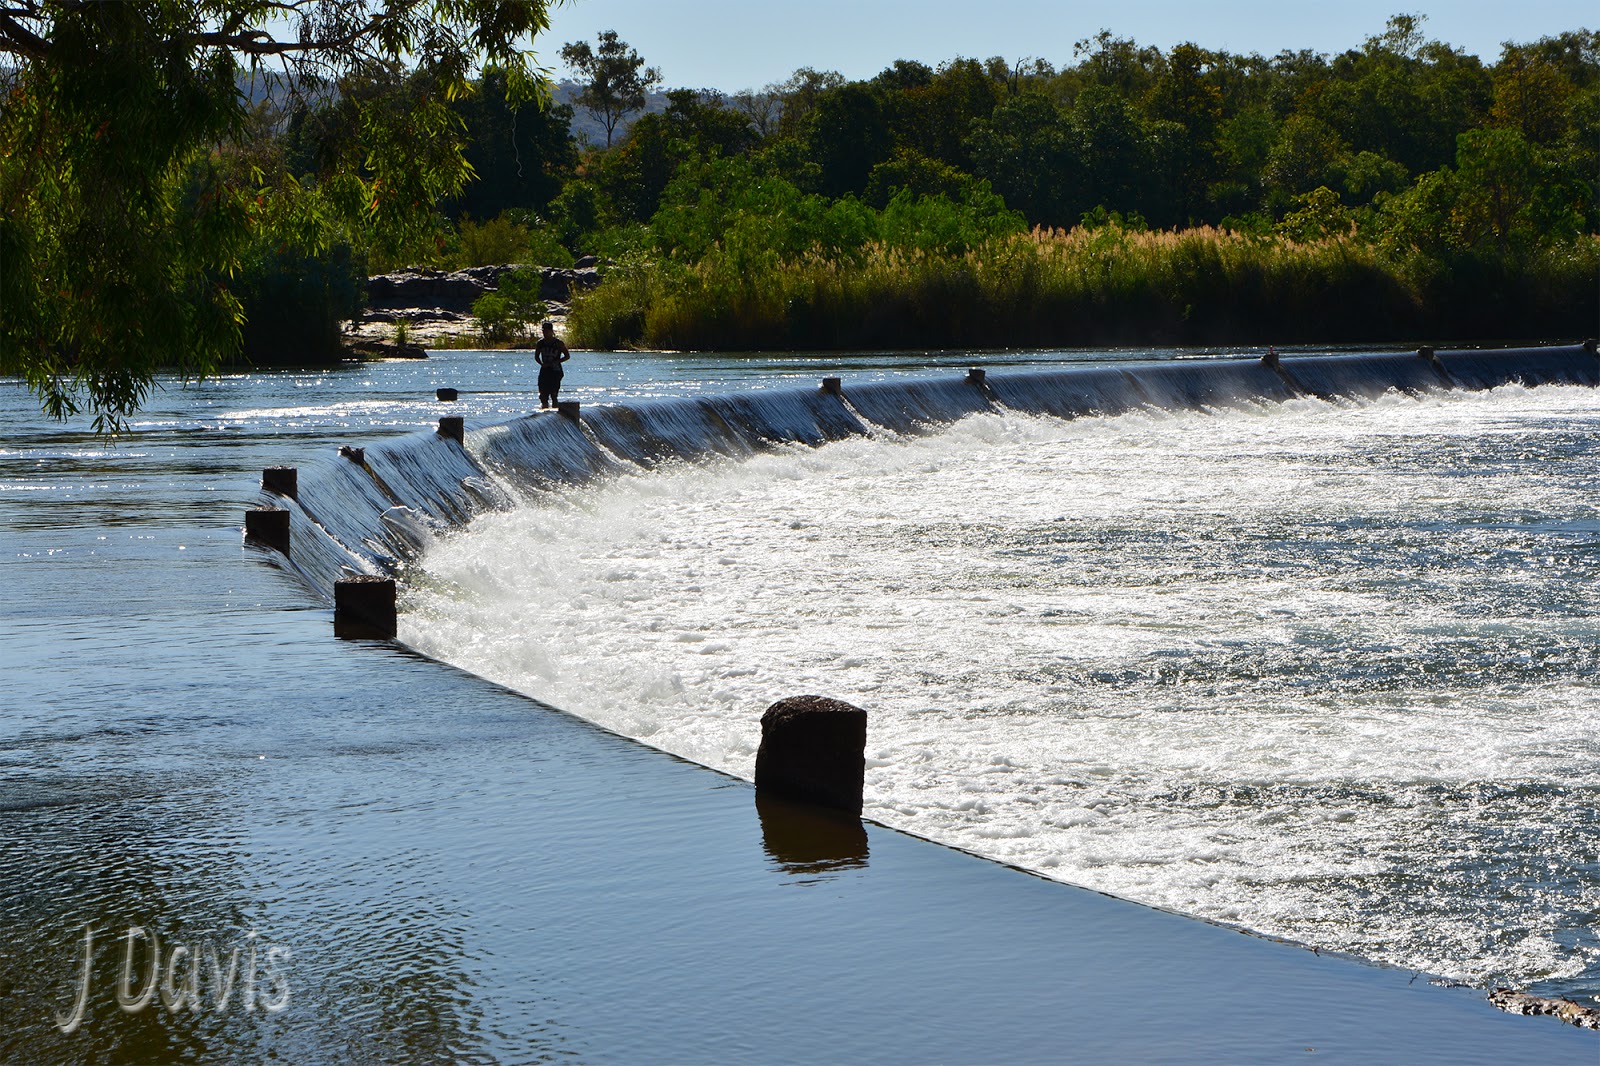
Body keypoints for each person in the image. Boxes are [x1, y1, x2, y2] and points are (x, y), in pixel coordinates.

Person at [533, 321, 571, 409]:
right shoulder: (540, 343)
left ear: (551, 331)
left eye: (547, 331)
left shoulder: (559, 343)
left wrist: (556, 362)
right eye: (543, 331)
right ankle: (544, 410)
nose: (545, 333)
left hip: (556, 371)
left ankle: (555, 410)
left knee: (554, 394)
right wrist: (542, 364)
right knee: (543, 395)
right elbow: (536, 357)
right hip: (544, 370)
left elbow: (567, 356)